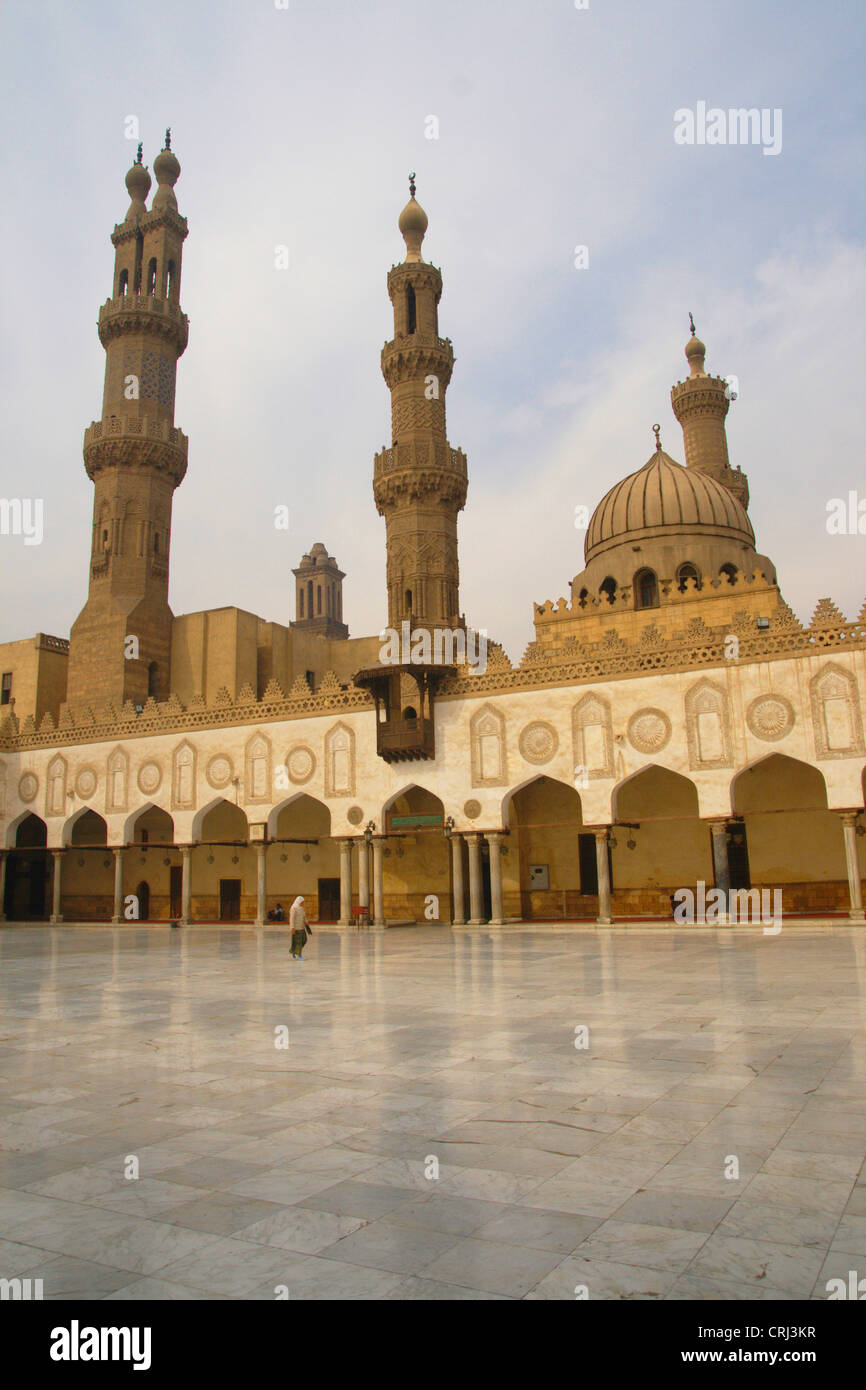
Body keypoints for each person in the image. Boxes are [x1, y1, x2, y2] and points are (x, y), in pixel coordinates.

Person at [289, 895, 311, 961]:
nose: (302, 903)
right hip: (296, 928)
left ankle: (294, 951)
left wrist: (306, 922)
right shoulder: (294, 908)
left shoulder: (301, 908)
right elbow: (292, 919)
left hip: (302, 927)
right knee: (298, 942)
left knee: (304, 940)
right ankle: (299, 955)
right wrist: (292, 928)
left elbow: (304, 917)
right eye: (302, 902)